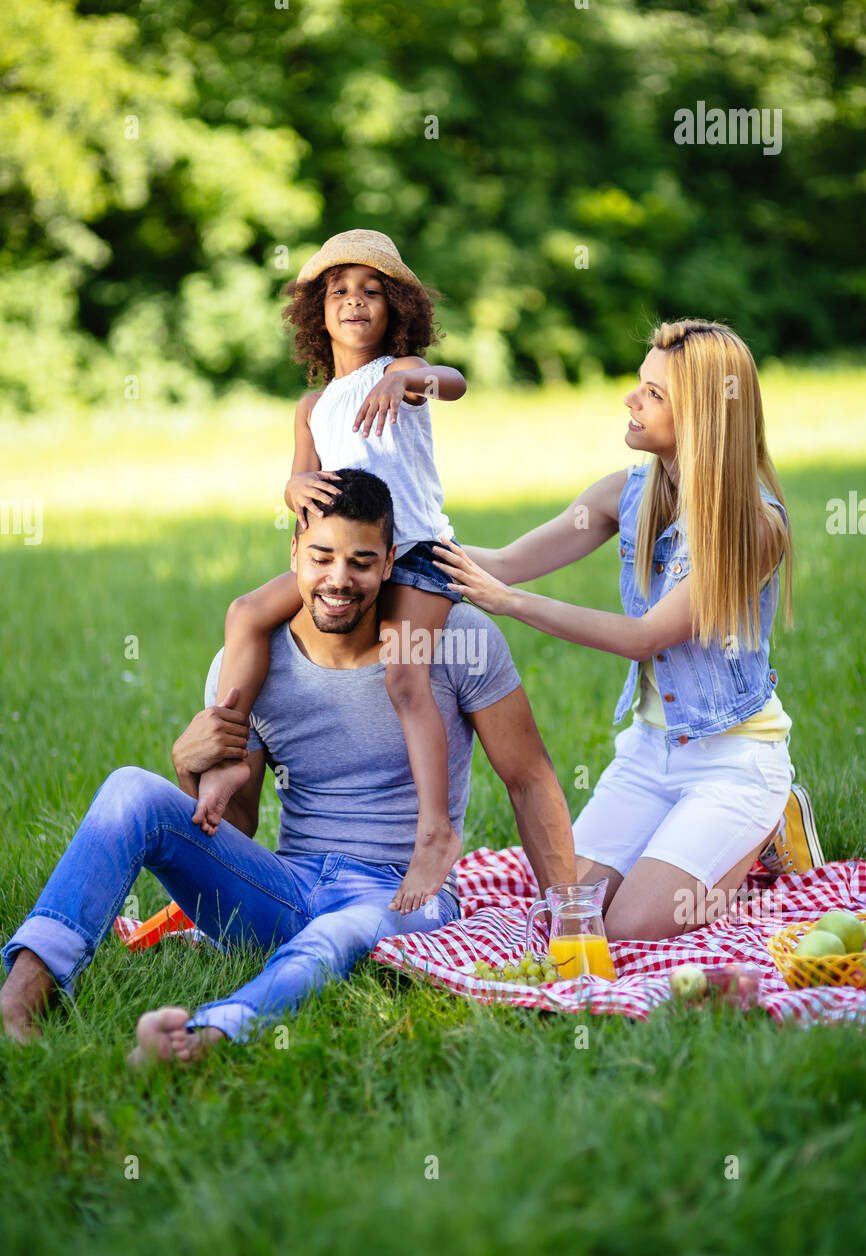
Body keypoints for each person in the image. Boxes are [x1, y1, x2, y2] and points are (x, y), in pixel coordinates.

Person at [0, 470, 576, 1061]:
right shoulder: (247, 661)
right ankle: (20, 1003)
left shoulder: (459, 640)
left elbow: (529, 779)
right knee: (128, 790)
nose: (339, 580)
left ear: (389, 562)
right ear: (294, 551)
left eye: (360, 562)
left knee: (339, 931)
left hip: (402, 893)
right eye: (322, 556)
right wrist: (187, 769)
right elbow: (239, 823)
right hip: (284, 885)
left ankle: (203, 1038)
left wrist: (571, 922)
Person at [433, 318, 824, 942]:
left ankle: (769, 821)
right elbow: (505, 561)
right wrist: (398, 543)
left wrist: (511, 604)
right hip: (647, 755)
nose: (630, 400)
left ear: (702, 417)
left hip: (732, 762)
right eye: (640, 384)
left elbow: (645, 637)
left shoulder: (752, 525)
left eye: (654, 394)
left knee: (629, 930)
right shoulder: (624, 492)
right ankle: (706, 839)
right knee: (565, 920)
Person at [194, 229, 467, 916]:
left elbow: (454, 383)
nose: (354, 301)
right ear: (317, 311)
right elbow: (299, 478)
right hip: (341, 560)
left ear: (395, 309)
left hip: (416, 555)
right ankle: (229, 750)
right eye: (339, 291)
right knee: (245, 615)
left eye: (371, 291)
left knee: (406, 679)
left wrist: (411, 376)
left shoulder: (403, 373)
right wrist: (292, 491)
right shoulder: (312, 406)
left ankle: (434, 830)